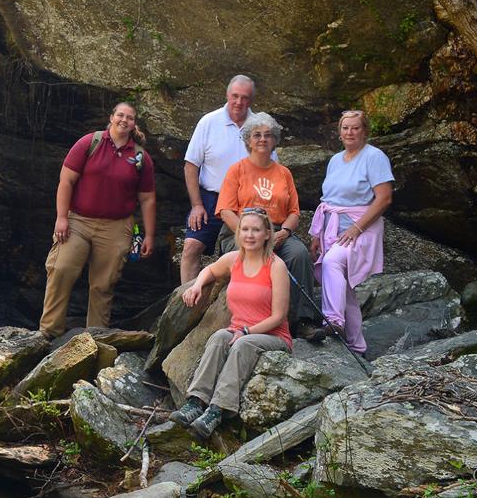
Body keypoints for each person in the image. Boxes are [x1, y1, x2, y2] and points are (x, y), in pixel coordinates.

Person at [169, 207, 291, 438]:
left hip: (272, 336)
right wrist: (196, 285)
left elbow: (278, 316)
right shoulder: (233, 260)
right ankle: (196, 401)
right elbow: (209, 271)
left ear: (267, 234)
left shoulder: (276, 266)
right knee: (218, 337)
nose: (250, 235)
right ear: (238, 233)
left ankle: (217, 410)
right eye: (245, 229)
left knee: (241, 345)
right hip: (238, 329)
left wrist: (246, 331)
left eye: (256, 230)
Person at [39, 102, 157, 338]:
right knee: (61, 269)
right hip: (78, 221)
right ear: (111, 117)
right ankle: (48, 332)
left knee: (103, 284)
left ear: (135, 124)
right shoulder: (89, 143)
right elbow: (66, 182)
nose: (124, 120)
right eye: (120, 115)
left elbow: (147, 199)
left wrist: (150, 235)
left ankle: (95, 338)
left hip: (116, 226)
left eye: (130, 117)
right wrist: (62, 217)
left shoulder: (140, 157)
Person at [215, 112, 316, 331]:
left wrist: (285, 232)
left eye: (268, 135)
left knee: (299, 255)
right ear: (248, 140)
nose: (262, 139)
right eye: (257, 135)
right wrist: (250, 235)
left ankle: (304, 321)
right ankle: (252, 320)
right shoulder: (237, 170)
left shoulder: (284, 173)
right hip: (242, 232)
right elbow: (225, 211)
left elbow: (294, 212)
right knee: (256, 255)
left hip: (277, 231)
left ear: (275, 140)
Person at [306, 110, 394, 355]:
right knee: (342, 286)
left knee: (333, 261)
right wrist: (316, 235)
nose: (350, 132)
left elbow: (384, 198)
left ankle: (333, 321)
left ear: (365, 131)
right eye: (345, 128)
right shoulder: (335, 160)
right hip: (333, 226)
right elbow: (328, 200)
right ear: (339, 132)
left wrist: (357, 228)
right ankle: (357, 345)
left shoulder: (374, 157)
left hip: (362, 226)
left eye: (355, 128)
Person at [181, 75, 266, 283]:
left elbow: (271, 170)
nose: (239, 102)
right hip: (210, 200)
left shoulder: (261, 127)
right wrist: (196, 205)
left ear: (251, 100)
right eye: (235, 96)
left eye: (244, 98)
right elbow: (191, 166)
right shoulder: (209, 122)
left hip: (246, 203)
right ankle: (186, 302)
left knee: (246, 251)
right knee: (191, 248)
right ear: (227, 95)